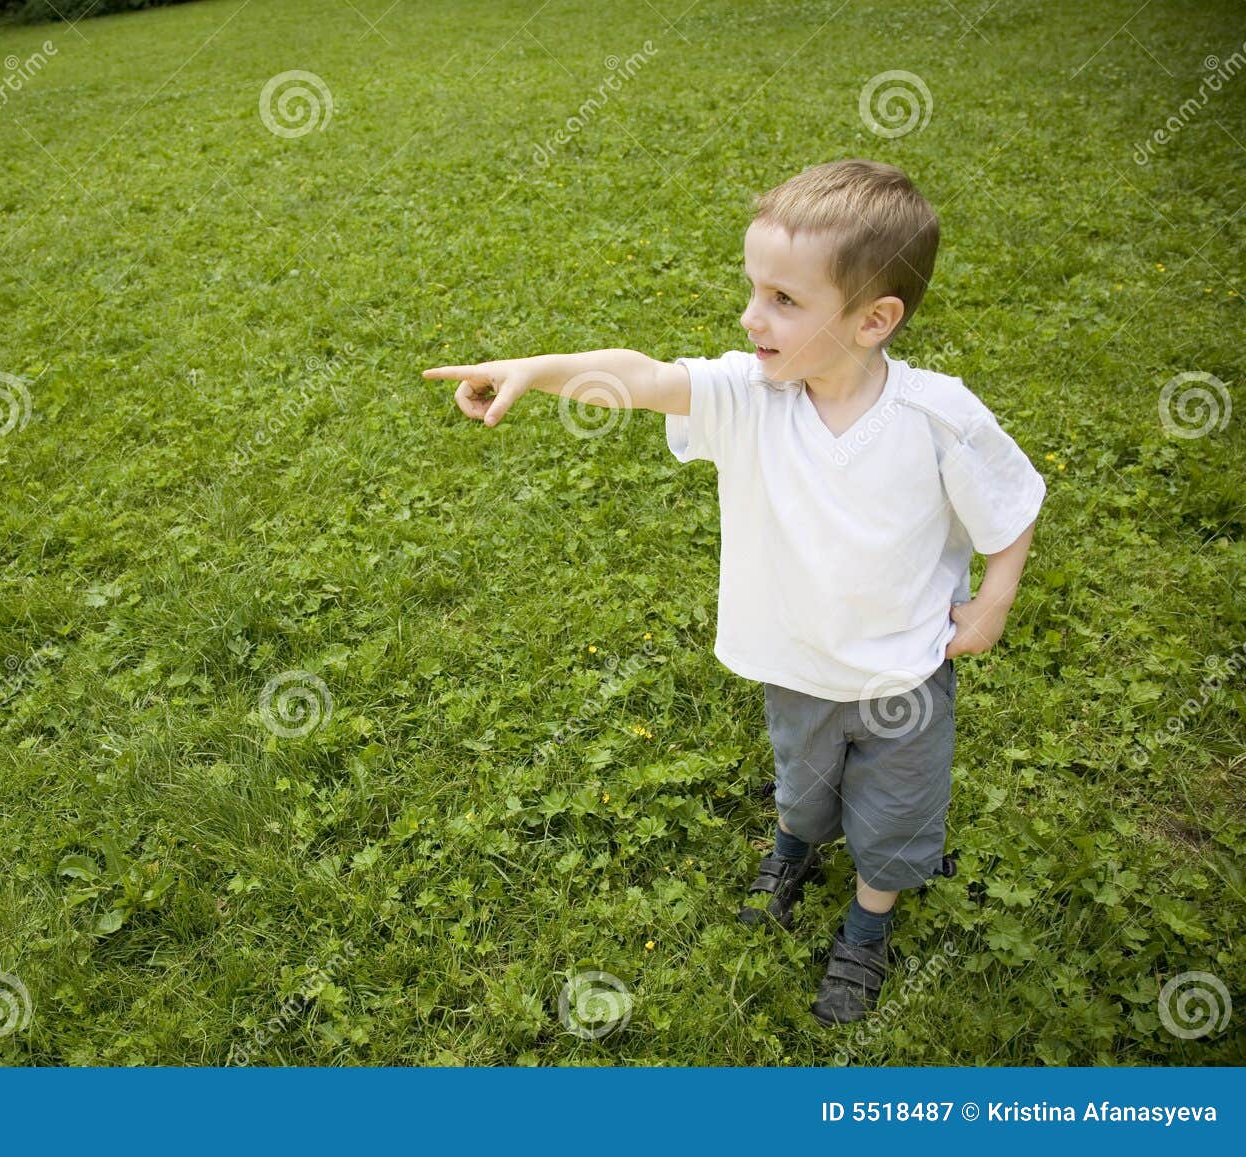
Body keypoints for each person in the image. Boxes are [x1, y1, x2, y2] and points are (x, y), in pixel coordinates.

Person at [421, 158, 1046, 1025]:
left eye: (786, 300)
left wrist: (994, 600)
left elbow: (1010, 509)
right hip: (790, 664)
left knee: (894, 814)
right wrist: (540, 367)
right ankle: (795, 842)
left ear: (875, 319)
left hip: (903, 677)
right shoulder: (750, 397)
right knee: (803, 782)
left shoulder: (937, 418)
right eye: (754, 289)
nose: (753, 316)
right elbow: (639, 376)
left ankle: (868, 924)